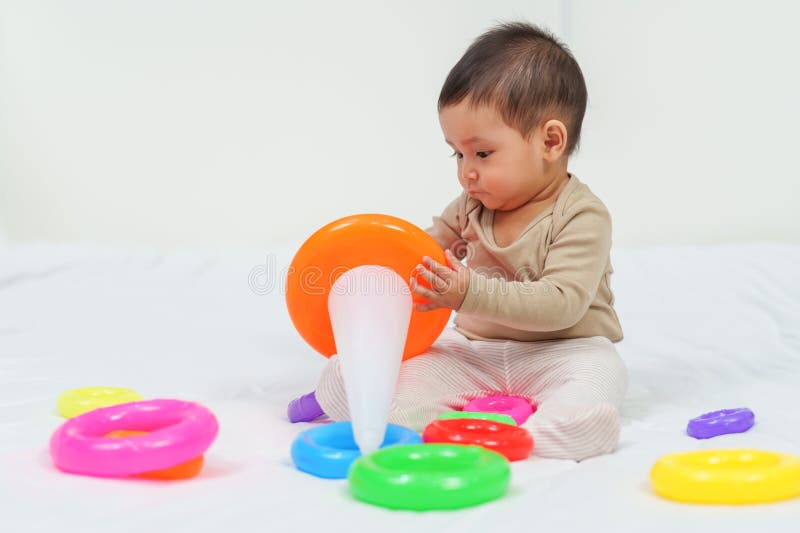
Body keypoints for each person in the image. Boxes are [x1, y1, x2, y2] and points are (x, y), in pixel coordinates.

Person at [288, 21, 627, 461]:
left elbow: (562, 303)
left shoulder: (582, 215)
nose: (466, 171)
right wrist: (374, 281)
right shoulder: (472, 204)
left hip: (563, 350)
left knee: (597, 378)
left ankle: (551, 431)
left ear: (550, 141)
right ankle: (416, 416)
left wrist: (467, 292)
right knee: (400, 378)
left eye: (482, 153)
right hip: (474, 353)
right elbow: (420, 257)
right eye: (458, 153)